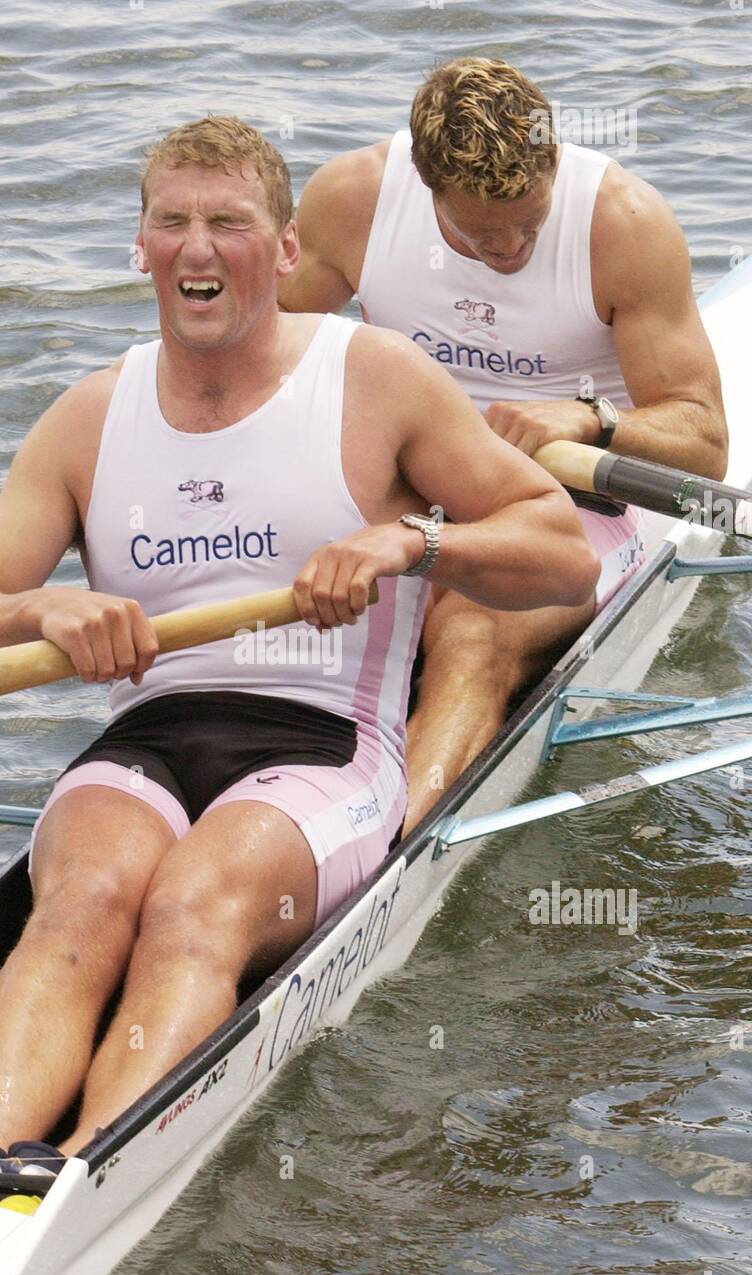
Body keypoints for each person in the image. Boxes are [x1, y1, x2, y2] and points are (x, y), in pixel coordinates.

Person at [0, 116, 598, 1167]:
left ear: (283, 251)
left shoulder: (375, 376)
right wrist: (38, 611)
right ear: (139, 247)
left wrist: (408, 543)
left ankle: (84, 1172)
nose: (197, 247)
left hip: (326, 746)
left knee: (193, 902)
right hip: (147, 738)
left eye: (228, 223)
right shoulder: (88, 417)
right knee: (84, 901)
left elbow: (562, 555)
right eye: (171, 221)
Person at [278, 57, 729, 832]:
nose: (513, 245)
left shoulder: (620, 222)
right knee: (281, 605)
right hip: (414, 482)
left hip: (572, 497)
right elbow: (261, 362)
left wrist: (590, 417)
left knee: (471, 630)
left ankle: (387, 857)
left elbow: (705, 441)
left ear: (554, 163)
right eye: (483, 233)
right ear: (426, 187)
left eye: (530, 219)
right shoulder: (352, 201)